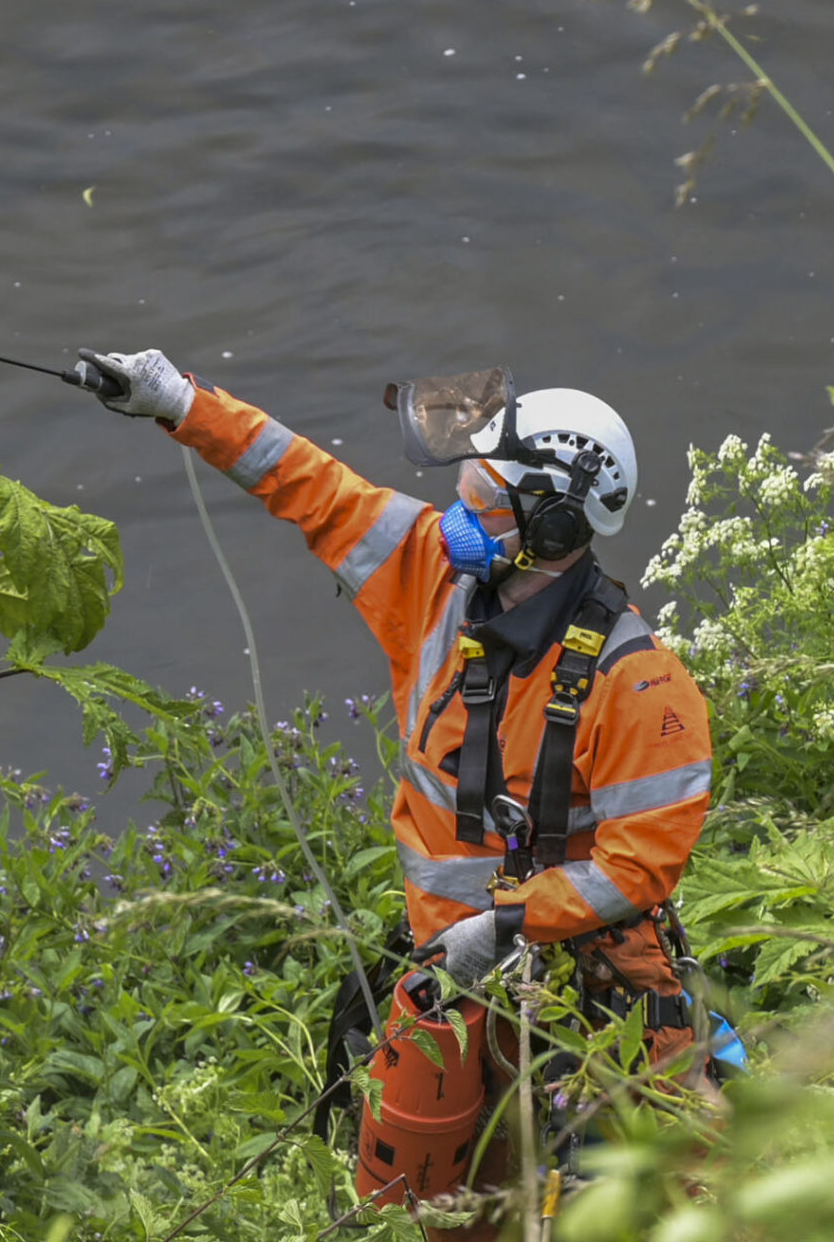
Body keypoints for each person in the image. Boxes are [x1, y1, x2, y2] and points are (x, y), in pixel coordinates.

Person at [79, 348, 715, 1238]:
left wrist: (502, 924)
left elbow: (639, 867)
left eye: (486, 495)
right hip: (446, 978)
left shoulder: (639, 683)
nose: (460, 508)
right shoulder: (430, 577)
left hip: (583, 994)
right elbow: (308, 483)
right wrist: (178, 401)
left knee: (629, 1211)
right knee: (448, 1213)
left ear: (558, 526)